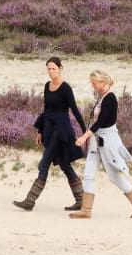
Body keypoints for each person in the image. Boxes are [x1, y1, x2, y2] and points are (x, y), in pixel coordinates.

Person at [70, 69, 132, 219]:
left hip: (107, 142)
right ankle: (86, 210)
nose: (92, 85)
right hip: (96, 142)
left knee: (114, 177)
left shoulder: (110, 98)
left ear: (102, 82)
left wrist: (84, 136)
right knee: (88, 175)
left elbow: (101, 121)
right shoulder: (101, 97)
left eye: (94, 83)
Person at [12, 56, 86, 212]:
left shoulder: (66, 88)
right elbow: (46, 110)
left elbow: (74, 109)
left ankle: (29, 201)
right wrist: (40, 131)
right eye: (49, 69)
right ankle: (81, 199)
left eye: (54, 69)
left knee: (43, 164)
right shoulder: (47, 86)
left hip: (61, 131)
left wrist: (85, 132)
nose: (51, 72)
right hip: (49, 129)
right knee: (65, 166)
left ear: (60, 68)